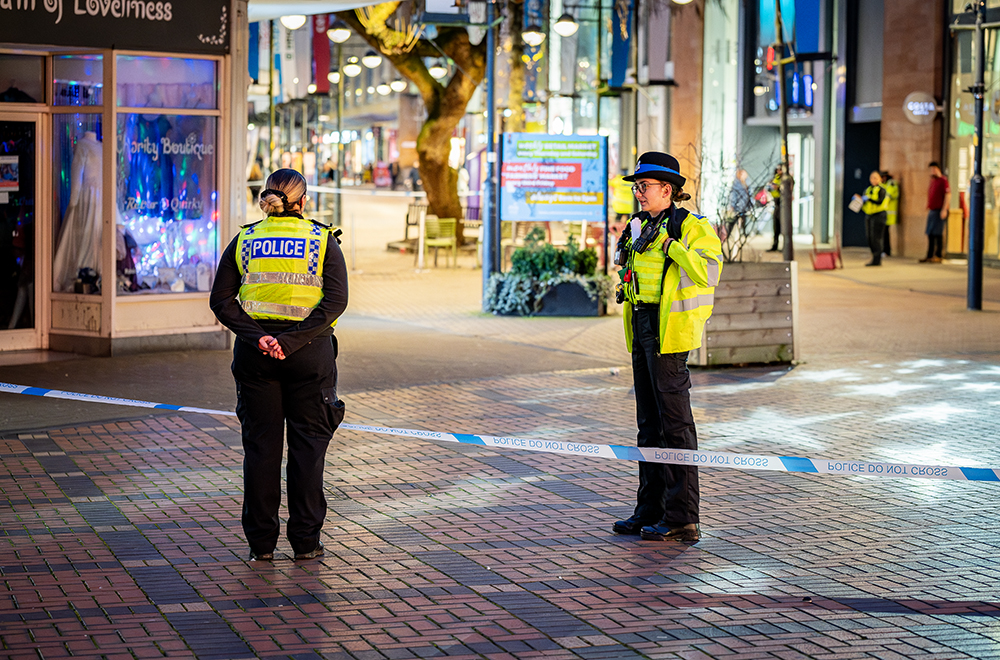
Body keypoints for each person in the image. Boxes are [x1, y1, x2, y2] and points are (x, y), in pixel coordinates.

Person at [210, 168, 349, 562]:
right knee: (308, 450)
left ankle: (261, 545)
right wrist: (290, 342)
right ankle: (305, 543)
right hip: (309, 355)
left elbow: (221, 301)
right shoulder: (321, 240)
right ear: (303, 201)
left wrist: (260, 338)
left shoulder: (245, 239)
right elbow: (335, 301)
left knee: (261, 450)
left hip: (256, 356)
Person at [611, 152, 723, 544]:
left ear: (668, 189)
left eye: (645, 186)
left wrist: (672, 246)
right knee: (648, 425)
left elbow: (709, 272)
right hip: (641, 325)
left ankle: (682, 519)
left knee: (675, 427)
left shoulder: (692, 226)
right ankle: (649, 510)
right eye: (637, 187)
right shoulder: (637, 225)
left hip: (670, 332)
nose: (639, 193)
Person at [853, 171, 888, 267]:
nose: (873, 180)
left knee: (877, 238)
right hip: (869, 215)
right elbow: (864, 201)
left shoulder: (882, 189)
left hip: (879, 215)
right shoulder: (868, 189)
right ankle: (874, 257)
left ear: (880, 179)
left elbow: (879, 201)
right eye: (872, 177)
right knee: (870, 238)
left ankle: (877, 259)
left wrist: (869, 198)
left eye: (876, 178)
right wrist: (859, 199)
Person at [921, 161, 950, 263]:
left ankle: (938, 255)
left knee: (938, 233)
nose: (932, 171)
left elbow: (947, 195)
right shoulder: (933, 181)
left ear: (938, 169)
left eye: (933, 169)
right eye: (930, 169)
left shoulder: (943, 180)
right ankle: (929, 255)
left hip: (939, 210)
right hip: (932, 210)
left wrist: (944, 209)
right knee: (930, 233)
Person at [727, 168, 752, 236]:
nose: (742, 176)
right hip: (738, 205)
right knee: (734, 220)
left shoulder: (748, 183)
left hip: (745, 205)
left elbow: (750, 194)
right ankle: (729, 234)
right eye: (741, 174)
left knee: (744, 220)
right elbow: (733, 195)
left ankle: (744, 233)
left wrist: (751, 204)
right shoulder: (736, 184)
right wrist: (732, 204)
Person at [881, 171, 899, 257]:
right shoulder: (883, 185)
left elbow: (890, 195)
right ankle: (884, 250)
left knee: (885, 233)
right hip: (884, 212)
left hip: (888, 213)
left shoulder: (891, 184)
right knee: (883, 233)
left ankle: (887, 251)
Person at [767, 166, 782, 252]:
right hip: (776, 202)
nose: (779, 171)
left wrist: (778, 188)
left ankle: (785, 247)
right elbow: (769, 188)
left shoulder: (785, 179)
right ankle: (775, 245)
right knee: (776, 226)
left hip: (783, 203)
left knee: (783, 226)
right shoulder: (775, 178)